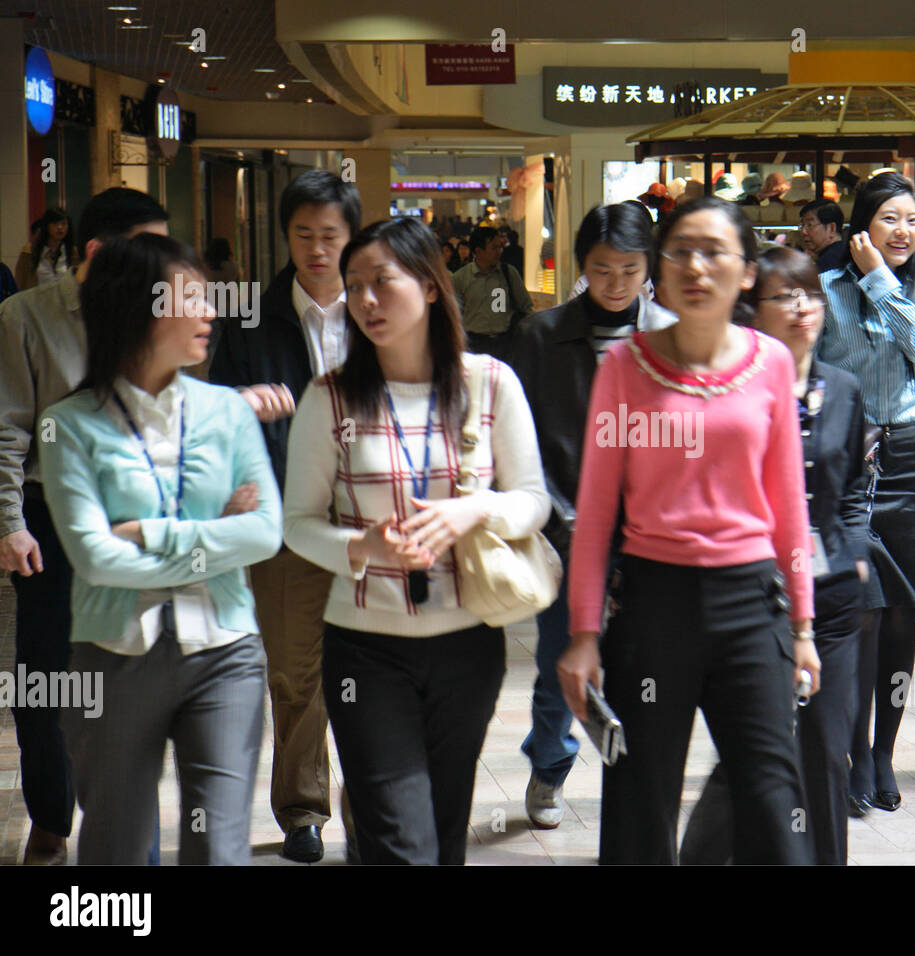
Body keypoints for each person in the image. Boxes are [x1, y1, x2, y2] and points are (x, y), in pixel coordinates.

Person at [557, 196, 820, 865]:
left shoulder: (770, 363)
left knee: (773, 803)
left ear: (748, 271)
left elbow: (790, 504)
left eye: (713, 252)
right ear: (660, 269)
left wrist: (803, 629)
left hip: (750, 605)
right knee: (640, 808)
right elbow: (595, 513)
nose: (695, 267)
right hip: (653, 607)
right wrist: (584, 636)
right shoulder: (625, 366)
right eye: (679, 251)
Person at [283, 217, 548, 864]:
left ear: (430, 286)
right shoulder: (331, 398)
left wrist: (473, 513)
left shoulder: (489, 383)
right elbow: (296, 522)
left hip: (468, 647)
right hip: (366, 650)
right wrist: (359, 549)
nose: (366, 300)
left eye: (382, 281)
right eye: (354, 287)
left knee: (444, 825)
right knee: (398, 837)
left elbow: (534, 501)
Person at [41, 233, 282, 864]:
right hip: (114, 657)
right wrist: (215, 534)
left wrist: (153, 533)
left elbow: (265, 532)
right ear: (139, 308)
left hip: (226, 649)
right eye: (193, 298)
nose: (209, 312)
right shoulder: (68, 425)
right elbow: (95, 558)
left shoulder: (226, 411)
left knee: (218, 847)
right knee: (116, 849)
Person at [678, 246, 873, 865]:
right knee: (755, 748)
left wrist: (853, 551)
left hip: (831, 594)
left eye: (810, 294)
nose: (800, 308)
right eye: (783, 296)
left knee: (824, 745)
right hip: (756, 592)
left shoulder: (843, 388)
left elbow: (852, 490)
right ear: (752, 309)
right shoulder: (732, 389)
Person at [0, 187, 171, 865]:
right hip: (52, 520)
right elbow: (6, 430)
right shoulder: (24, 318)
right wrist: (10, 523)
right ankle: (50, 811)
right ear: (98, 252)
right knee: (44, 683)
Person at [208, 168, 359, 863]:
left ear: (351, 237)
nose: (317, 248)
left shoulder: (379, 305)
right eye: (304, 235)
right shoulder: (248, 316)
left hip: (369, 517)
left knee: (372, 668)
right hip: (283, 518)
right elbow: (215, 413)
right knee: (297, 671)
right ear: (286, 237)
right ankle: (302, 810)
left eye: (330, 235)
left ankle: (372, 808)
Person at [508, 203, 676, 829]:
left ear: (648, 269)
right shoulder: (541, 335)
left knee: (644, 666)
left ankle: (633, 786)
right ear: (583, 267)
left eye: (629, 270)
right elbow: (518, 439)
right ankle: (549, 764)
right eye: (602, 269)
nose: (615, 283)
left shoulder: (669, 332)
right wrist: (563, 519)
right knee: (564, 662)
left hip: (651, 534)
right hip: (567, 530)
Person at [819, 170, 915, 814]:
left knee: (901, 615)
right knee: (859, 611)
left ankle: (882, 753)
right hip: (842, 462)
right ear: (861, 227)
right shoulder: (821, 293)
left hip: (907, 458)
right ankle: (848, 747)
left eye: (912, 220)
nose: (903, 230)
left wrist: (880, 282)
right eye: (890, 218)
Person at [451, 225, 533, 360]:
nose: (499, 252)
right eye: (494, 248)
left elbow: (525, 306)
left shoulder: (508, 274)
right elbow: (454, 315)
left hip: (505, 343)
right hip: (474, 345)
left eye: (500, 247)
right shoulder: (461, 278)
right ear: (478, 251)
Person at [17, 209, 78, 290]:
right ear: (47, 226)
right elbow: (20, 282)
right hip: (37, 299)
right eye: (55, 224)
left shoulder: (73, 253)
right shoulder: (30, 252)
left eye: (64, 224)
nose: (60, 227)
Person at [799, 198, 846, 273]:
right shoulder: (843, 252)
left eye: (809, 225)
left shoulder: (829, 262)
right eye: (802, 225)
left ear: (831, 228)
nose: (803, 231)